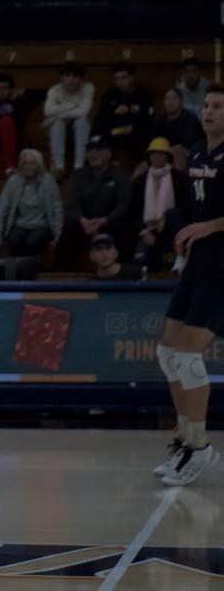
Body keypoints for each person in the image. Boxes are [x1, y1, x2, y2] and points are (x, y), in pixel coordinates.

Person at [153, 86, 224, 486]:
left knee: (187, 355)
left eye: (218, 107)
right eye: (208, 106)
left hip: (220, 271)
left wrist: (210, 226)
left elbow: (209, 219)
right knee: (167, 352)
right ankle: (184, 438)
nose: (209, 112)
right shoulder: (197, 151)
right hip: (196, 266)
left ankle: (200, 446)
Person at [61, 134, 130, 268]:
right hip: (85, 224)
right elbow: (74, 205)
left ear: (108, 154)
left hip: (109, 222)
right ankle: (61, 276)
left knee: (124, 227)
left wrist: (103, 220)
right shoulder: (78, 175)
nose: (94, 154)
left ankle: (125, 274)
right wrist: (83, 221)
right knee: (69, 226)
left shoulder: (121, 175)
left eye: (98, 150)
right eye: (90, 150)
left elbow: (123, 207)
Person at [0, 149, 63, 274]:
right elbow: (2, 207)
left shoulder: (48, 180)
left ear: (39, 165)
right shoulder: (13, 181)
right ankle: (16, 275)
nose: (28, 166)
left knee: (32, 242)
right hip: (20, 224)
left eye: (32, 163)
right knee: (14, 240)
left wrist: (58, 234)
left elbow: (57, 208)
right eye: (25, 163)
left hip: (42, 225)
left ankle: (29, 275)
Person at [133, 137, 187, 271]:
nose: (157, 156)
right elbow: (133, 210)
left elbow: (186, 205)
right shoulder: (140, 180)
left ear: (168, 157)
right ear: (148, 157)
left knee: (173, 216)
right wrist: (144, 230)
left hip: (174, 227)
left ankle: (180, 258)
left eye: (161, 153)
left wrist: (166, 218)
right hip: (148, 228)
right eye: (153, 153)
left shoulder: (180, 178)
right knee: (141, 260)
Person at [42, 63, 94, 177]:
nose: (71, 80)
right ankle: (58, 166)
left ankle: (79, 166)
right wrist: (71, 105)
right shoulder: (54, 90)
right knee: (57, 124)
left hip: (79, 126)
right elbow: (48, 111)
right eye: (68, 76)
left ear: (81, 79)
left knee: (82, 121)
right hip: (61, 127)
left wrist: (57, 115)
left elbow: (83, 112)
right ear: (61, 78)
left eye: (75, 77)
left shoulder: (88, 88)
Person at [94, 64, 152, 163]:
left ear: (132, 78)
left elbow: (147, 119)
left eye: (124, 77)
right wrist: (114, 113)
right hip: (113, 134)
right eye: (117, 79)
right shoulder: (110, 94)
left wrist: (130, 116)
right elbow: (101, 117)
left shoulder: (143, 94)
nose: (120, 82)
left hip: (136, 134)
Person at [154, 87, 203, 171]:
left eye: (174, 98)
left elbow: (188, 146)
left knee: (177, 151)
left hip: (190, 155)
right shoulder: (159, 120)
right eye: (167, 99)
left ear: (181, 101)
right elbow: (154, 142)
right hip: (164, 155)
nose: (170, 102)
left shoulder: (190, 119)